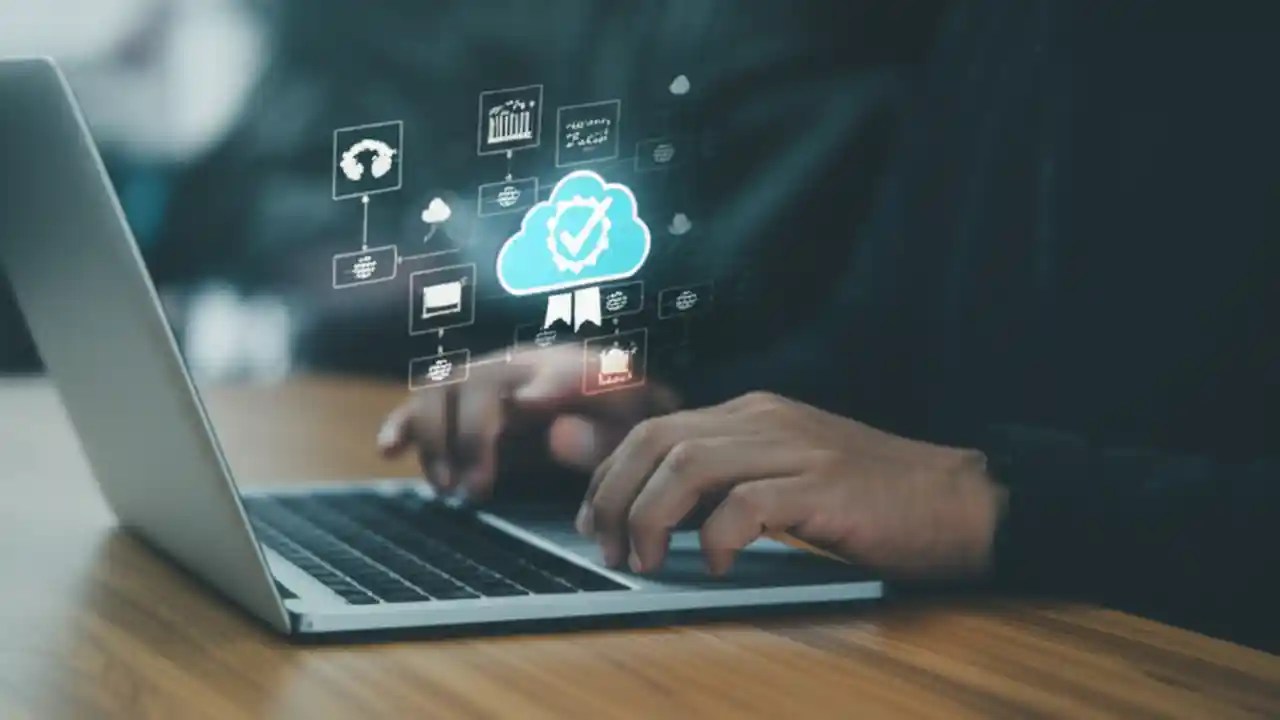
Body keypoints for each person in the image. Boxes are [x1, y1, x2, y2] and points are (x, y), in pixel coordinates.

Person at [378, 0, 1280, 653]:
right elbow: (876, 356)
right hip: (968, 650)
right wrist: (649, 416)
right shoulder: (1013, 29)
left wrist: (994, 502)